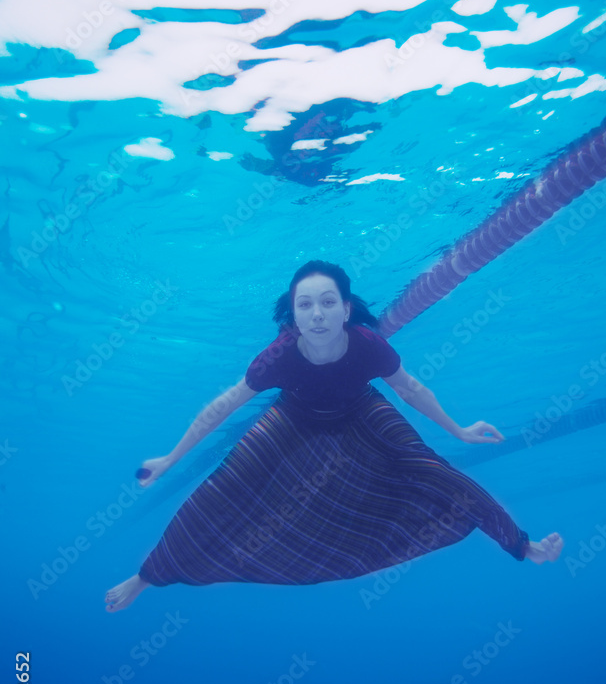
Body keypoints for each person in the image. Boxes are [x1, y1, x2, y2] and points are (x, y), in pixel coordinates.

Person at [105, 260, 562, 612]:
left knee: (434, 472)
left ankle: (523, 545)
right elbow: (222, 407)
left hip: (361, 410)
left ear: (346, 309)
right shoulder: (278, 358)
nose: (317, 314)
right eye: (305, 305)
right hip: (295, 417)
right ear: (294, 315)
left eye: (328, 303)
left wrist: (457, 431)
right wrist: (170, 458)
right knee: (220, 492)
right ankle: (146, 578)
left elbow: (409, 389)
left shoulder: (367, 345)